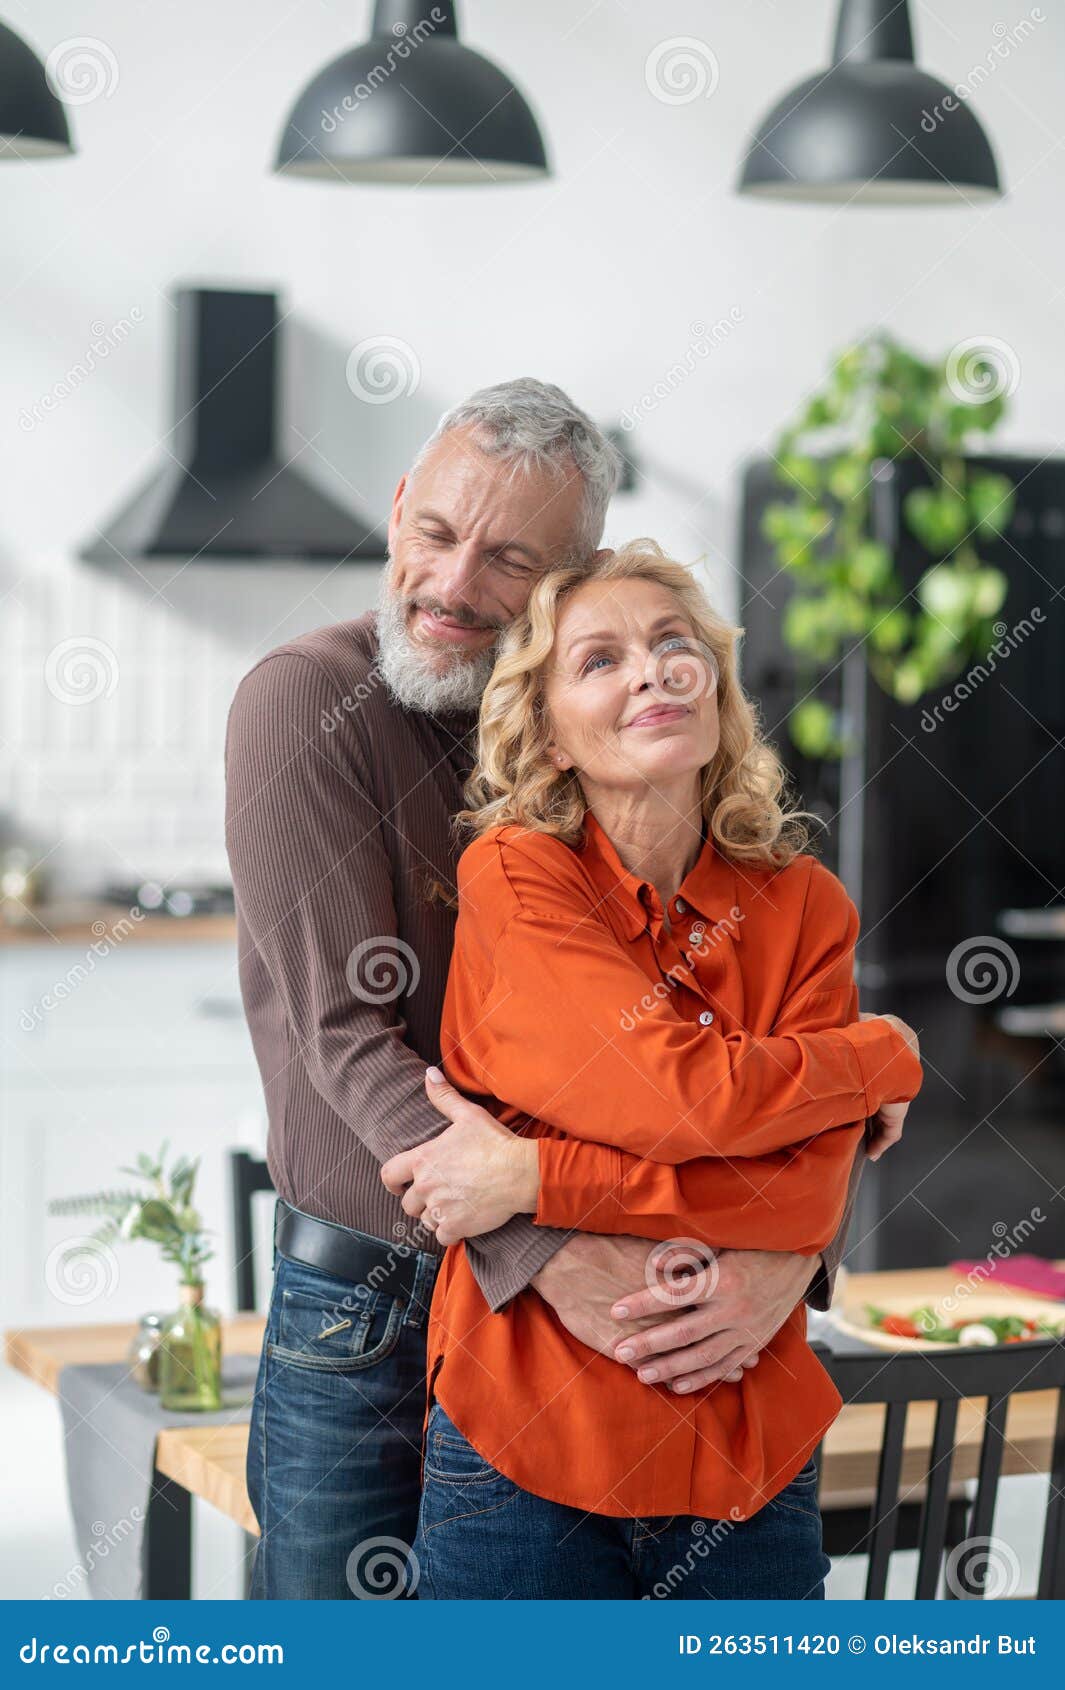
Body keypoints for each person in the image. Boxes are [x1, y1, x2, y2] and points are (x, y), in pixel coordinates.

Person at [225, 382, 907, 1601]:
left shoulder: (633, 756)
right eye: (435, 532)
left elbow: (736, 1097)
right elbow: (348, 1035)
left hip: (629, 1304)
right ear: (398, 508)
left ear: (566, 577)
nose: (451, 584)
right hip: (376, 1297)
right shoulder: (307, 702)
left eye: (508, 560)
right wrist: (540, 1238)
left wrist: (785, 1253)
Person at [384, 540, 923, 1600]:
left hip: (748, 1443)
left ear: (714, 684)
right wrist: (882, 1054)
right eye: (599, 660)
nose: (651, 673)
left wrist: (537, 1177)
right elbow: (687, 1099)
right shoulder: (518, 878)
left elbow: (804, 1191)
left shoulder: (804, 904)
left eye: (674, 644)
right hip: (531, 1439)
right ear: (548, 735)